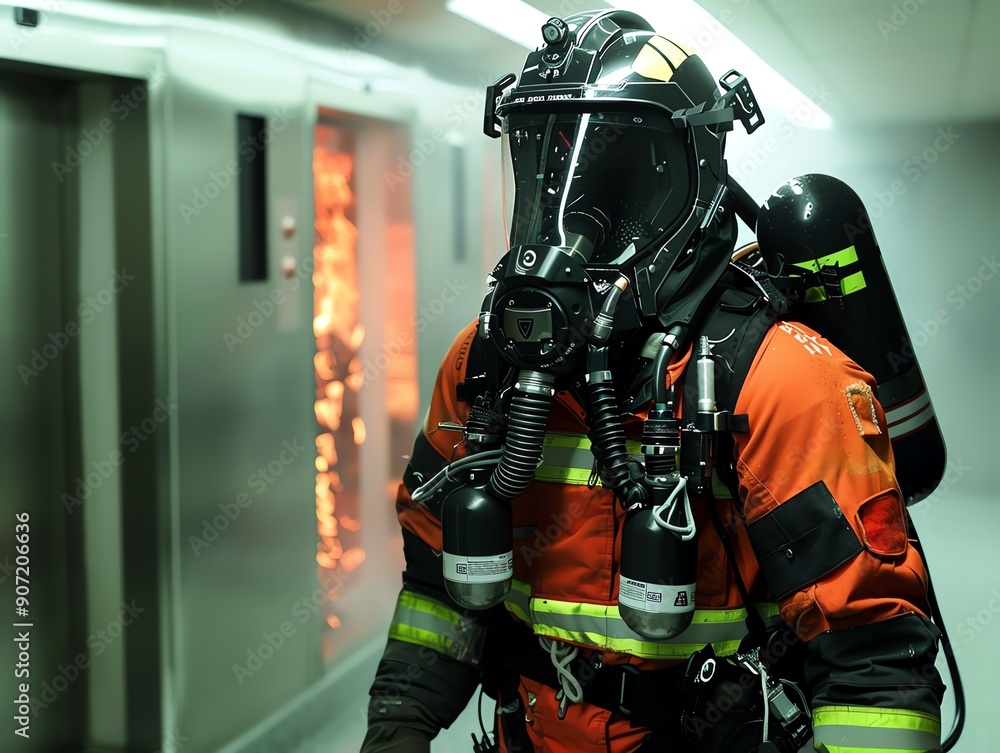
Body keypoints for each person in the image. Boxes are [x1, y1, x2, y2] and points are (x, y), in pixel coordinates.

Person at [362, 9, 946, 753]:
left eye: (617, 183)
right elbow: (438, 591)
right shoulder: (483, 365)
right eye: (547, 170)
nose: (567, 232)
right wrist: (397, 729)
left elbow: (870, 664)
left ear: (696, 186)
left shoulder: (781, 380)